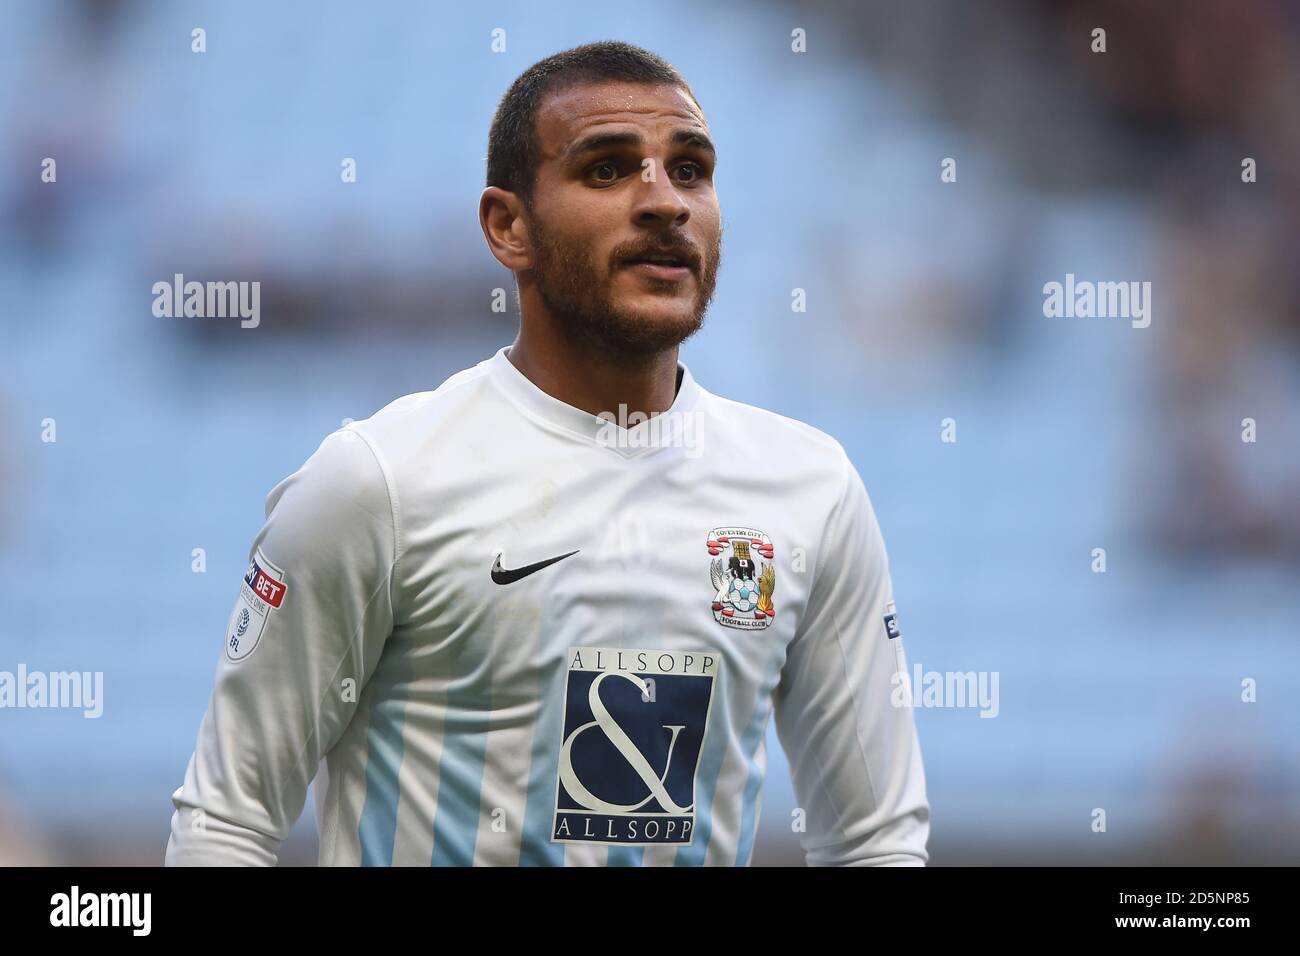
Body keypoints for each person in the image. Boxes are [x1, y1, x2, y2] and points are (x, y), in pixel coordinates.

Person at [165, 40, 929, 866]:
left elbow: (873, 838)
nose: (663, 201)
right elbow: (226, 823)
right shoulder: (377, 481)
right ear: (509, 227)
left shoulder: (809, 490)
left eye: (691, 169)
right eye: (606, 170)